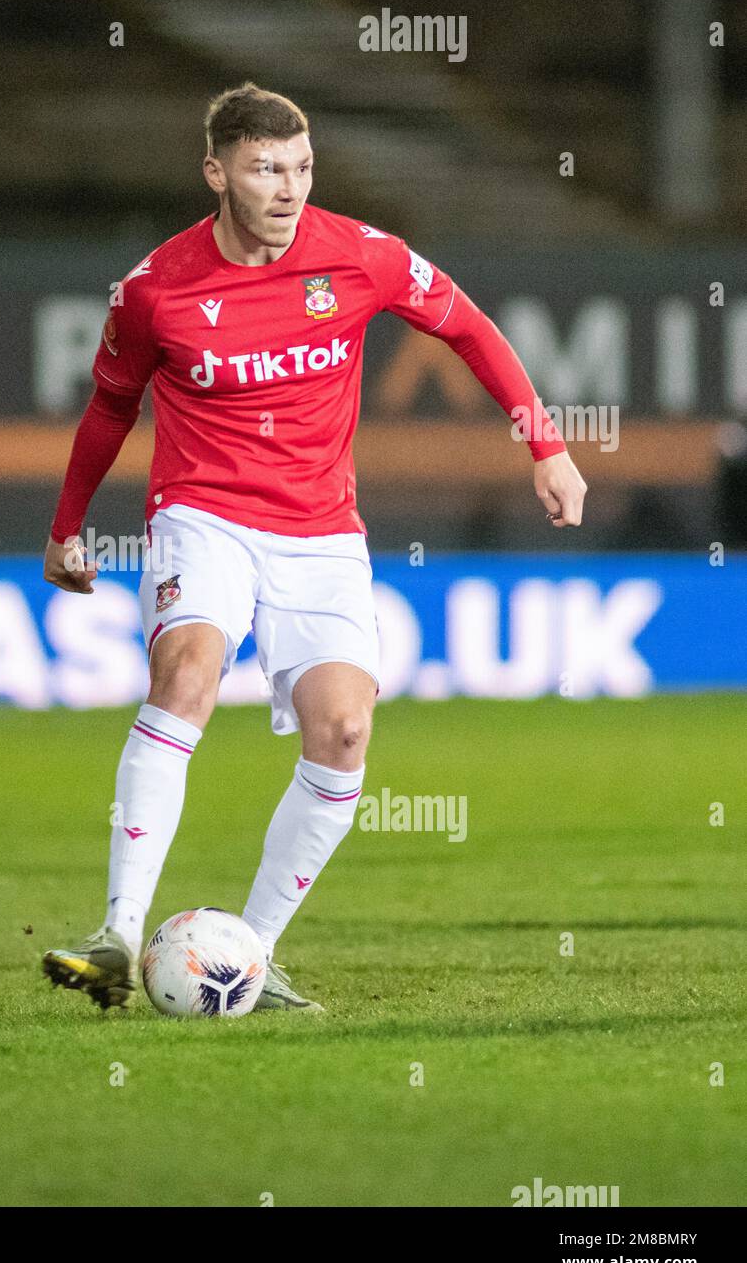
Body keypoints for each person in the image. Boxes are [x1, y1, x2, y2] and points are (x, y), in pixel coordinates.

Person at [41, 84, 586, 1009]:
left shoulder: (362, 256)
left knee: (344, 731)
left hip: (321, 532)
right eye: (265, 169)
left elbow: (467, 325)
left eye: (302, 167)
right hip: (203, 515)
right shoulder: (155, 291)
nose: (289, 188)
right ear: (217, 174)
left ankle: (251, 954)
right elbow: (110, 408)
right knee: (188, 675)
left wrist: (548, 445)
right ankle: (118, 934)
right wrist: (67, 527)